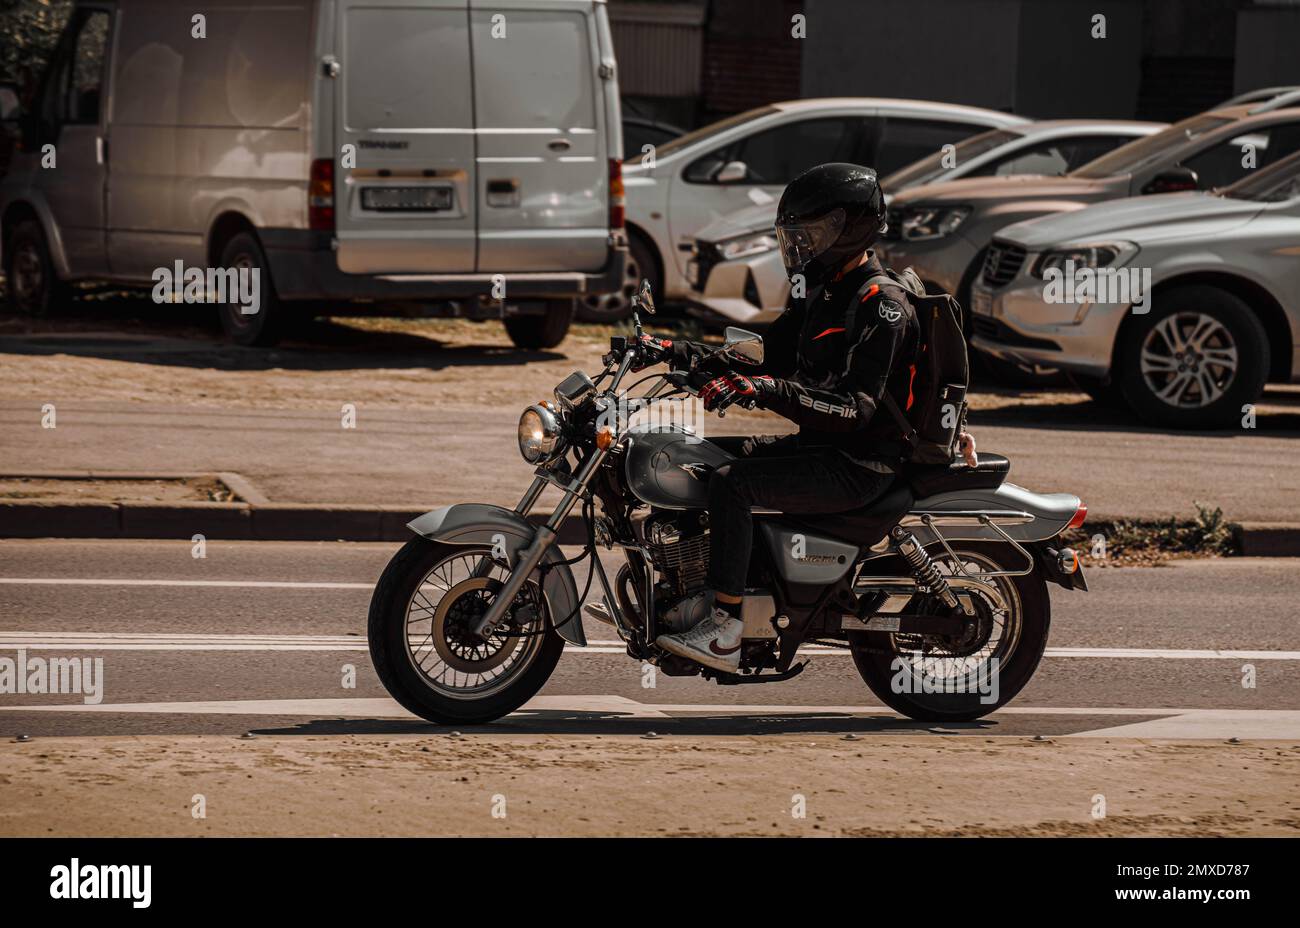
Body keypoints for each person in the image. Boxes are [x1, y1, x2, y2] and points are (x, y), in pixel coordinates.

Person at [635, 162, 977, 672]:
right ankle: (709, 592)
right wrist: (674, 350)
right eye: (793, 236)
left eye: (811, 235)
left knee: (734, 484)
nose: (799, 247)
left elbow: (854, 409)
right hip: (823, 447)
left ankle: (726, 628)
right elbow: (766, 352)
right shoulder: (825, 292)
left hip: (861, 463)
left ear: (849, 228)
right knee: (696, 461)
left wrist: (767, 390)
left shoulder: (881, 306)